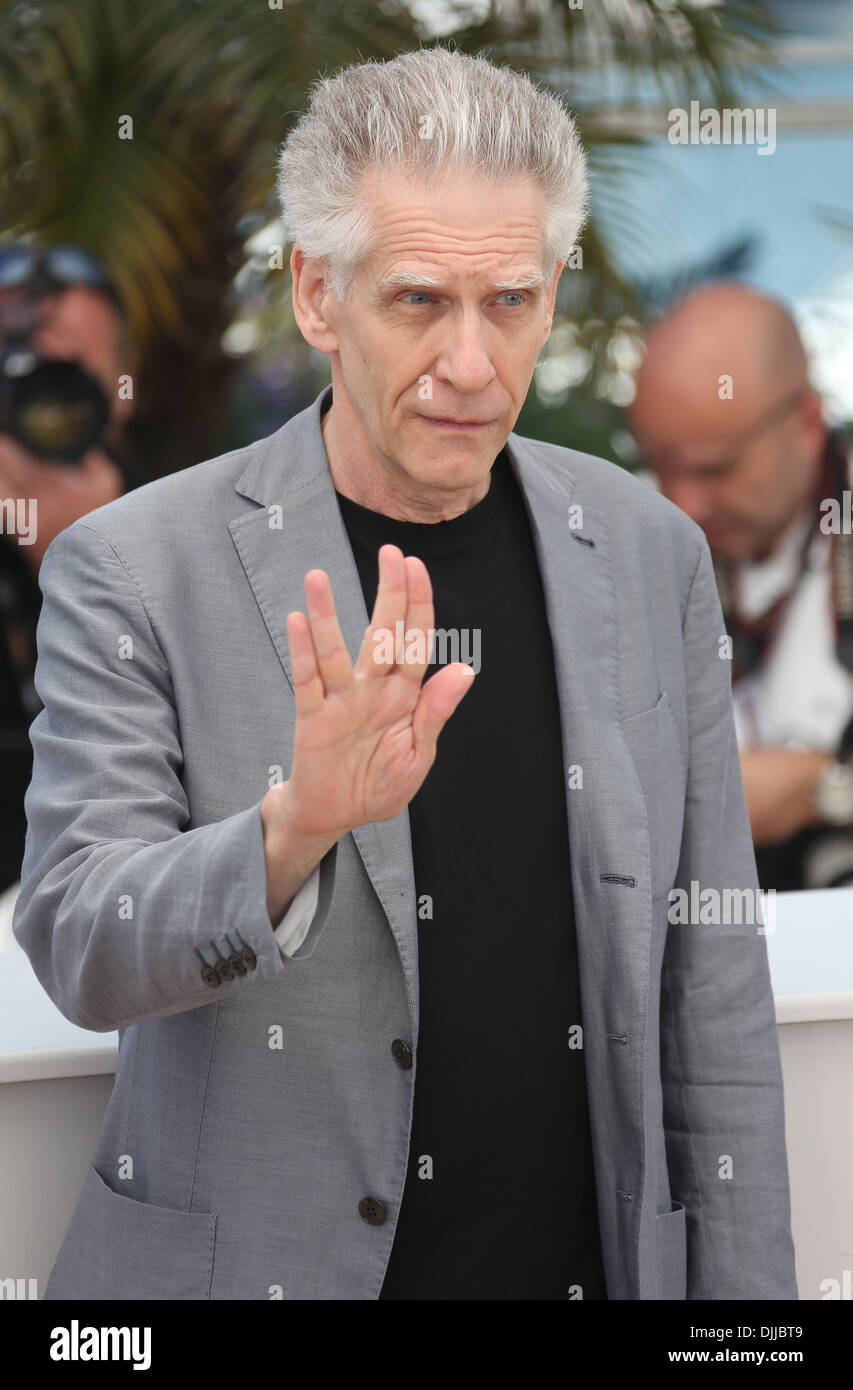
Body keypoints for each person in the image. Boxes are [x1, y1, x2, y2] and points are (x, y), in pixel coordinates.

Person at [13, 47, 797, 1300]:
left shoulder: (650, 554)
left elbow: (713, 988)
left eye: (514, 301)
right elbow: (78, 940)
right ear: (318, 297)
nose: (475, 365)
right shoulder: (133, 566)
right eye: (421, 300)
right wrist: (292, 828)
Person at [629, 282, 853, 890]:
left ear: (807, 422)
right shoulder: (613, 535)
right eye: (660, 464)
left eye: (716, 468)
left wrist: (824, 788)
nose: (683, 502)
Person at [0, 244, 139, 893]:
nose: (37, 397)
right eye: (12, 366)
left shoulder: (173, 532)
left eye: (67, 373)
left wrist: (83, 560)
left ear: (121, 387)